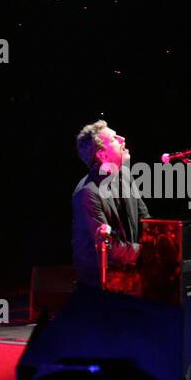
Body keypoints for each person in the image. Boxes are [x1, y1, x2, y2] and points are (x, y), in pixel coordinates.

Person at [71, 120, 147, 289]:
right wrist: (147, 253)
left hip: (128, 271)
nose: (122, 139)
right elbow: (109, 248)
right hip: (100, 284)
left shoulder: (126, 176)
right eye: (114, 138)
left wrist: (161, 243)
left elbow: (145, 221)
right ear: (102, 155)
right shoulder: (87, 193)